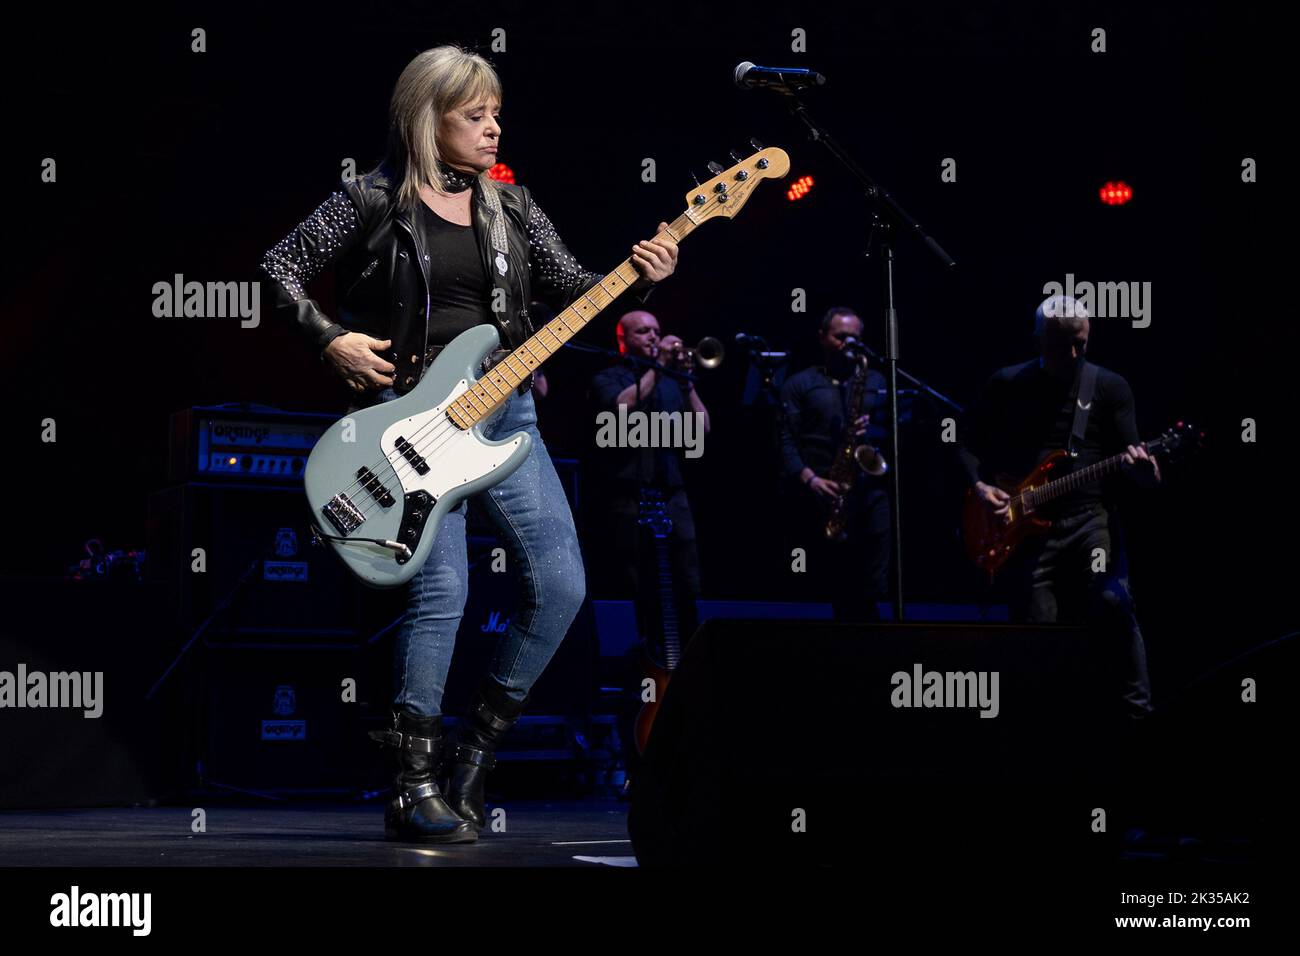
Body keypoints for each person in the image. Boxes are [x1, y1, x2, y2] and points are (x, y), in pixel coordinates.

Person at [258, 45, 678, 842]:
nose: (492, 129)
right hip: (408, 425)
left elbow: (579, 291)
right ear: (429, 117)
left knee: (561, 586)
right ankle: (410, 782)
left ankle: (474, 756)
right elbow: (278, 267)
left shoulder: (511, 208)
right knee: (442, 589)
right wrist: (330, 338)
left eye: (496, 115)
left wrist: (644, 274)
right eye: (474, 115)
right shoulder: (371, 198)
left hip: (506, 418)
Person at [956, 294, 1157, 718]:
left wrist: (1146, 472)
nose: (1072, 354)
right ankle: (1047, 723)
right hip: (1027, 527)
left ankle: (1138, 715)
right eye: (1061, 344)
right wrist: (978, 487)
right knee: (1036, 625)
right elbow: (967, 442)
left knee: (1113, 602)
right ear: (1037, 340)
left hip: (1090, 522)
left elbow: (1135, 460)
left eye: (1081, 343)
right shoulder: (1007, 383)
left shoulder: (1108, 386)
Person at [586, 311, 709, 786]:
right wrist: (657, 368)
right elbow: (619, 414)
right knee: (641, 605)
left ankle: (687, 698)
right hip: (626, 499)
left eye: (659, 331)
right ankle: (637, 715)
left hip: (672, 496)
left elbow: (702, 431)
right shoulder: (609, 375)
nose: (656, 337)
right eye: (645, 332)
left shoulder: (676, 379)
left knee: (687, 595)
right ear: (624, 339)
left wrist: (690, 379)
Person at [778, 307, 891, 621]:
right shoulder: (800, 383)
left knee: (870, 586)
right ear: (822, 337)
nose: (849, 344)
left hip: (868, 495)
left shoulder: (879, 381)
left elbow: (898, 431)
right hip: (819, 492)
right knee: (828, 586)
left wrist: (873, 431)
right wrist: (810, 479)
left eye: (855, 338)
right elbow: (784, 438)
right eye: (841, 337)